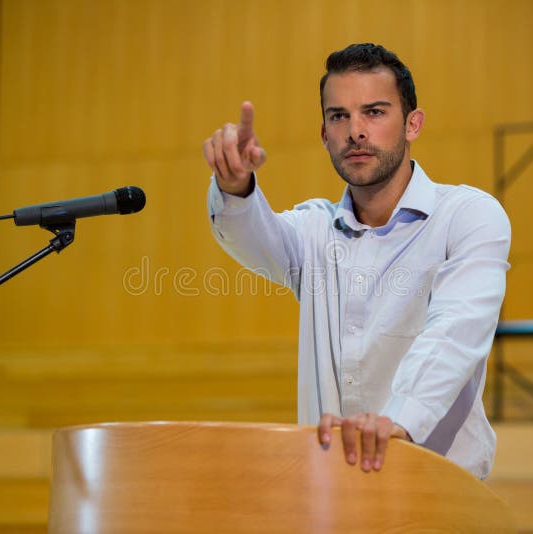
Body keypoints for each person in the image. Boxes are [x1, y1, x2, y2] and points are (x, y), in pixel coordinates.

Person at [202, 43, 510, 479]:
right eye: (339, 116)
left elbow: (455, 330)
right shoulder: (313, 230)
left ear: (412, 124)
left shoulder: (467, 216)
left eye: (375, 112)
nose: (356, 131)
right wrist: (235, 185)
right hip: (332, 497)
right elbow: (250, 235)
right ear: (324, 134)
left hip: (440, 493)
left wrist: (396, 422)